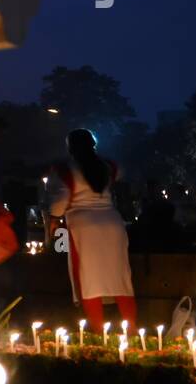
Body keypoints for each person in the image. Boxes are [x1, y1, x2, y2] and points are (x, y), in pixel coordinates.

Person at [45, 128, 136, 330]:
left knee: (88, 281)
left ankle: (98, 329)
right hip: (113, 224)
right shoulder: (108, 166)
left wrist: (53, 220)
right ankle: (131, 329)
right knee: (120, 278)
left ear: (70, 148)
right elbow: (121, 171)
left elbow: (60, 200)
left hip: (83, 227)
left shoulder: (64, 170)